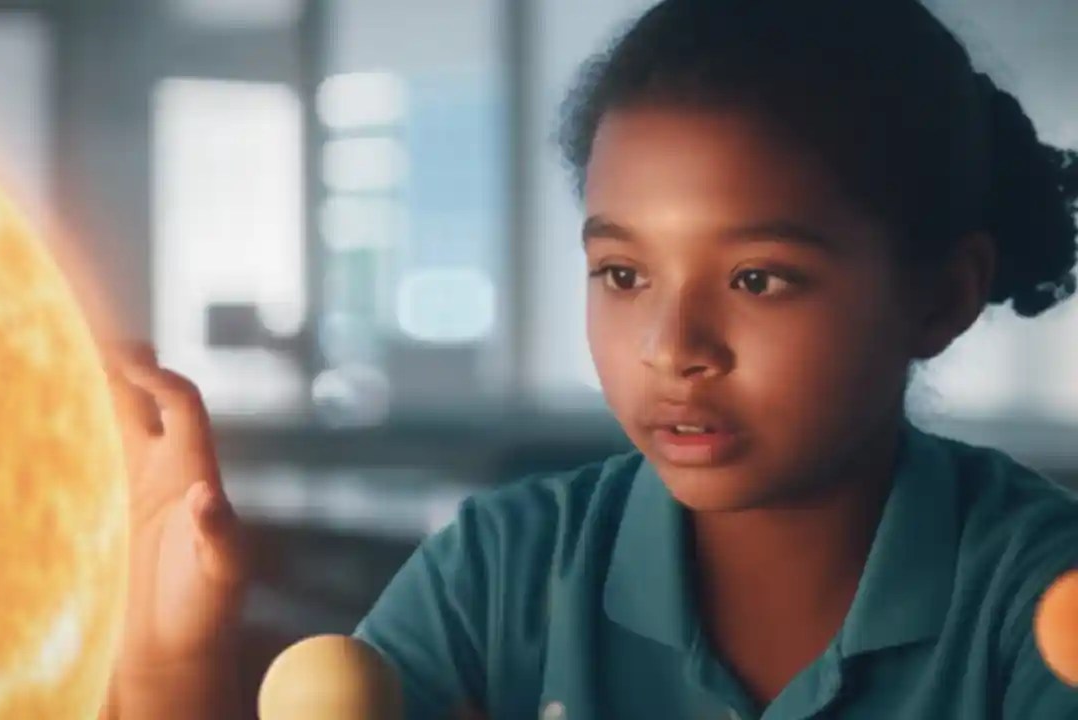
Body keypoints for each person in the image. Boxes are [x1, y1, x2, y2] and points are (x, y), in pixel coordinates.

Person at [101, 0, 1078, 717]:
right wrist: (165, 663)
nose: (670, 348)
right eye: (620, 274)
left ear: (940, 296)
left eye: (756, 279)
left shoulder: (1038, 595)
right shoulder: (500, 573)